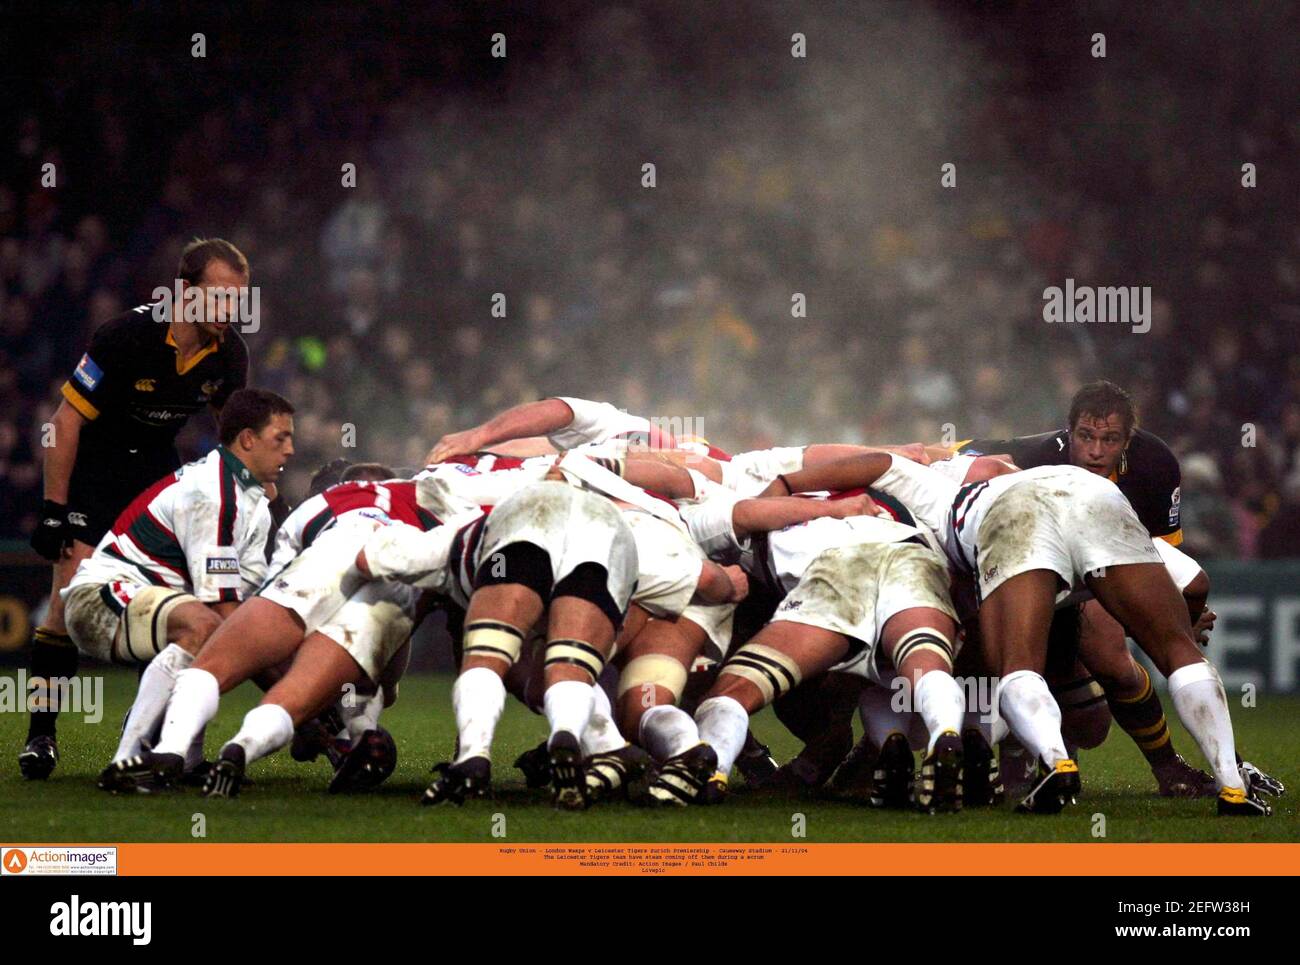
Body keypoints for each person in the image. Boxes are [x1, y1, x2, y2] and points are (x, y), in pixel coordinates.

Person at [21, 238, 252, 779]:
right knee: (67, 593)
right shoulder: (124, 336)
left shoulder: (230, 354)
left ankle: (154, 730)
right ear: (183, 292)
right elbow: (66, 421)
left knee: (182, 600)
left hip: (155, 471)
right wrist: (54, 507)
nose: (229, 312)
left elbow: (234, 435)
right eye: (219, 298)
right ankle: (40, 735)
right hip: (95, 469)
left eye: (237, 300)